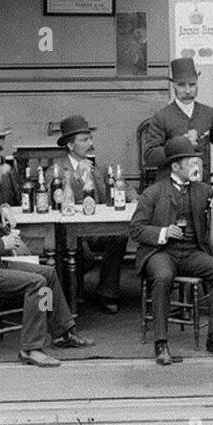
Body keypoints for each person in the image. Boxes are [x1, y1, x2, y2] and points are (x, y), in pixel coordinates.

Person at [0, 141, 93, 367]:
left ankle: (62, 331)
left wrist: (3, 208)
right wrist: (3, 243)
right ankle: (31, 348)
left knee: (49, 273)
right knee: (37, 284)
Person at [129, 136, 213, 365]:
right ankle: (161, 342)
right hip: (161, 253)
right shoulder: (154, 193)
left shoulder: (202, 190)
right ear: (176, 166)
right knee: (162, 276)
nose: (196, 167)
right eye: (191, 163)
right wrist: (163, 232)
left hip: (191, 252)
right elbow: (136, 229)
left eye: (196, 163)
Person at [53, 115, 130, 315]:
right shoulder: (58, 168)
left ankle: (107, 292)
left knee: (120, 237)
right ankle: (72, 294)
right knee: (81, 253)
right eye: (84, 140)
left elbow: (116, 185)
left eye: (90, 139)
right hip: (72, 230)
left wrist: (135, 196)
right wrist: (77, 175)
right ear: (70, 145)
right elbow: (58, 197)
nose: (90, 143)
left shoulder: (97, 166)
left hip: (97, 227)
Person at [142, 57, 213, 191]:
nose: (187, 90)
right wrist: (177, 146)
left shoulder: (207, 114)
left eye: (192, 85)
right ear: (173, 85)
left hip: (201, 187)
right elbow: (150, 155)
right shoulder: (161, 117)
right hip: (171, 190)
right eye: (181, 85)